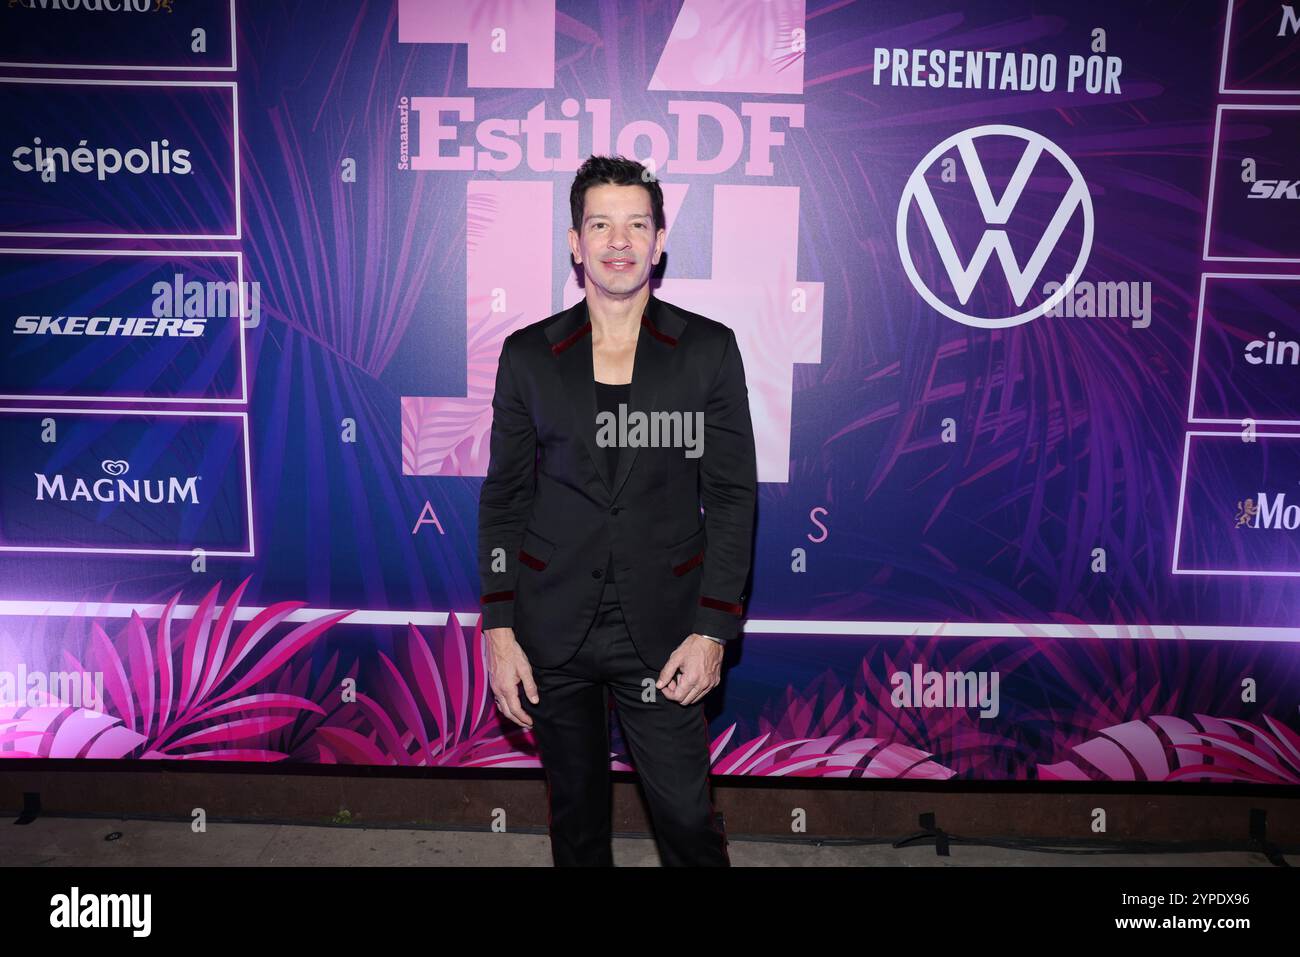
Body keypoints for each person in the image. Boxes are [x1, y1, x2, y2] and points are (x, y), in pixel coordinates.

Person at [477, 154, 757, 866]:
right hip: (552, 628)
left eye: (637, 223)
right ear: (575, 241)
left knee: (689, 823)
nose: (619, 240)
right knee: (576, 827)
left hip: (663, 630)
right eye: (600, 223)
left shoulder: (708, 350)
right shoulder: (528, 355)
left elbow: (730, 496)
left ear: (660, 240)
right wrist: (500, 626)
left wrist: (714, 630)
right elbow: (505, 497)